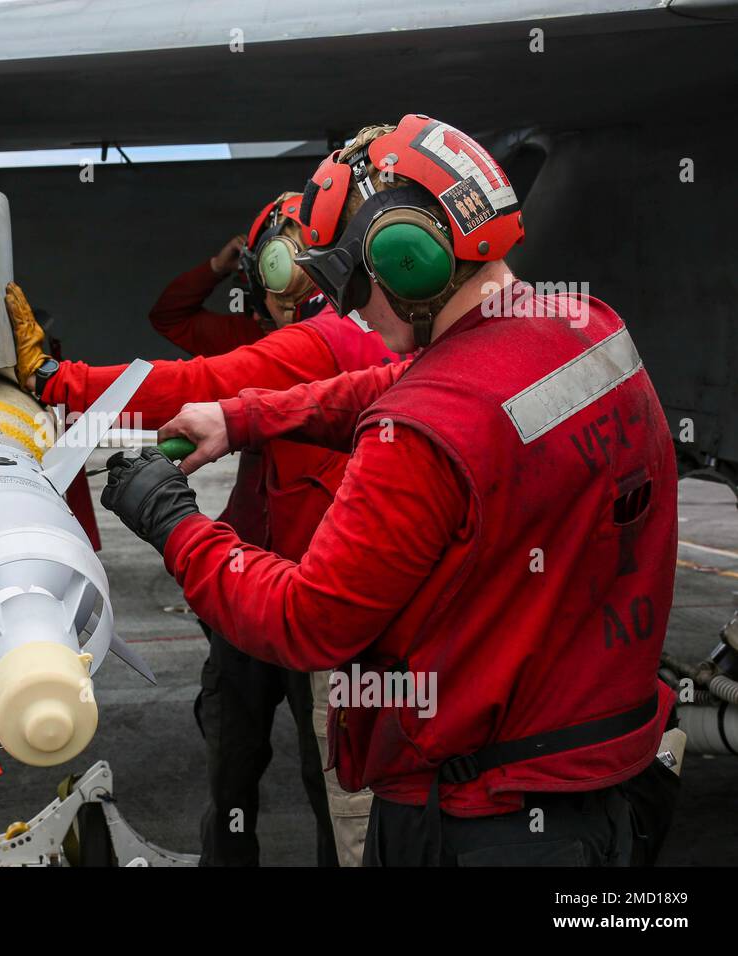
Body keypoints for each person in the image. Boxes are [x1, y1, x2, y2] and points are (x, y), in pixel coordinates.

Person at [99, 115, 679, 866]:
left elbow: (306, 622)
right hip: (610, 786)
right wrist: (240, 418)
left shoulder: (417, 433)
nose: (344, 306)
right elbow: (410, 383)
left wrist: (172, 521)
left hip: (479, 820)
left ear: (404, 262)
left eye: (346, 277)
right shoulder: (585, 326)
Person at [4, 193, 399, 866]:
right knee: (238, 764)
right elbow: (179, 329)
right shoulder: (296, 340)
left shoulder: (328, 340)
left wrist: (53, 379)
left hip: (315, 604)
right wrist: (218, 264)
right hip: (256, 595)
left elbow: (191, 383)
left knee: (328, 771)